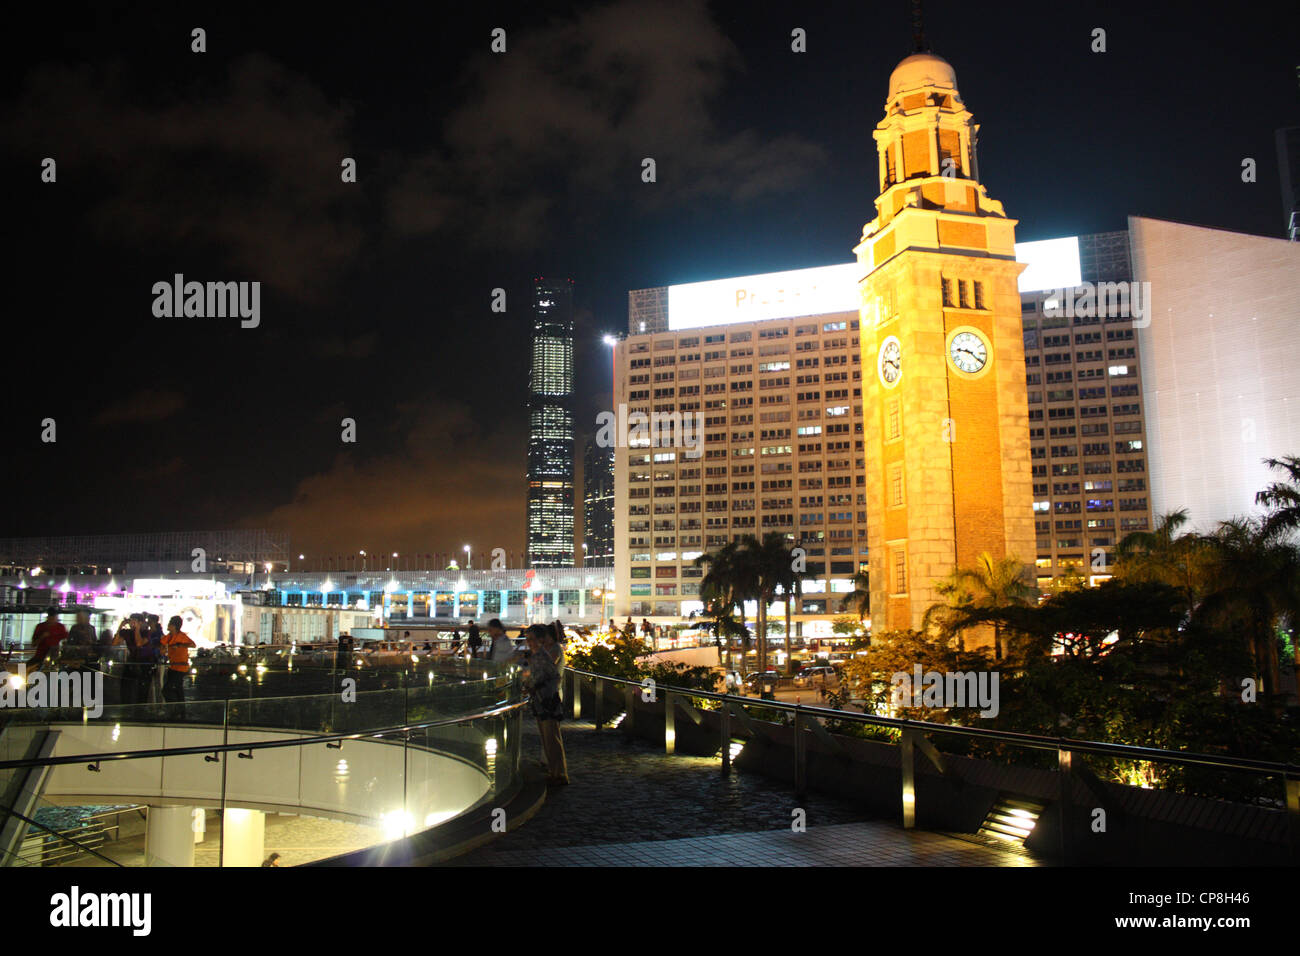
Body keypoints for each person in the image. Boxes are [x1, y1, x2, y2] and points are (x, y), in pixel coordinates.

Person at [522, 624, 568, 785]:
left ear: (541, 640)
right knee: (547, 738)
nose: (529, 642)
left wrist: (534, 686)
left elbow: (553, 676)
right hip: (541, 701)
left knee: (552, 738)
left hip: (548, 701)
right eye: (527, 639)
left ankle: (560, 774)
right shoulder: (536, 655)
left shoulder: (542, 655)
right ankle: (553, 772)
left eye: (532, 639)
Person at [160, 615, 196, 710]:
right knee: (177, 689)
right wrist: (162, 649)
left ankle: (174, 708)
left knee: (167, 689)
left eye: (170, 624)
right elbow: (162, 646)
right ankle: (180, 710)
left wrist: (180, 645)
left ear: (174, 626)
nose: (168, 625)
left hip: (180, 667)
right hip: (173, 666)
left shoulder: (181, 636)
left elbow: (193, 644)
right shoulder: (168, 637)